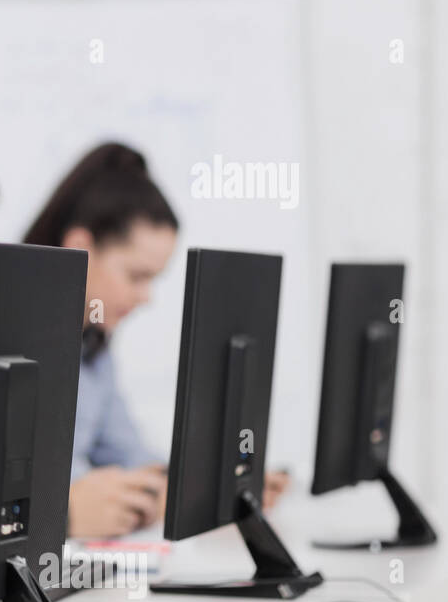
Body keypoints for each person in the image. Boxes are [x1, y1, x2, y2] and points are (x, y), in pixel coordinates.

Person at [23, 142, 289, 538]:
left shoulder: (93, 354)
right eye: (136, 276)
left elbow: (132, 458)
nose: (145, 297)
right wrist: (62, 514)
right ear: (80, 247)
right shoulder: (7, 343)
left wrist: (212, 485)